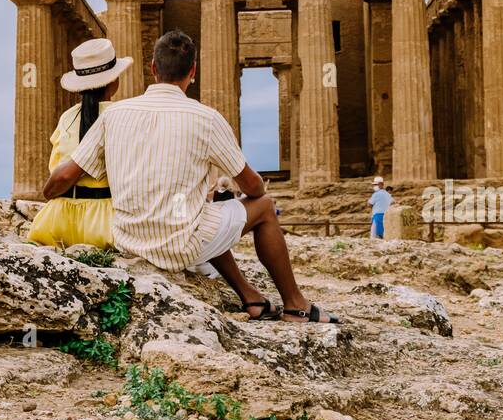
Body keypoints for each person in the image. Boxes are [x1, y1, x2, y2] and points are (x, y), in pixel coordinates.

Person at [42, 28, 338, 324]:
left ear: (153, 68)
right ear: (193, 71)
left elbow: (64, 175)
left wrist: (48, 196)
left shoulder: (114, 115)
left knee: (202, 213)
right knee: (262, 208)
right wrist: (253, 189)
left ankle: (252, 298)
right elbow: (252, 187)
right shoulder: (206, 118)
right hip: (181, 245)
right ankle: (295, 304)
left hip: (127, 239)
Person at [26, 37, 131, 251]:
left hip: (55, 220)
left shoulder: (67, 117)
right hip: (103, 221)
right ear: (114, 80)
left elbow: (58, 168)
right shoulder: (123, 116)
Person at [368, 175, 393, 241]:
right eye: (374, 184)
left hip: (377, 216)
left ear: (382, 184)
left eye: (376, 184)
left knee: (374, 237)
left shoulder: (376, 194)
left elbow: (369, 204)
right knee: (385, 236)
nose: (374, 186)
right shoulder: (388, 194)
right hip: (387, 216)